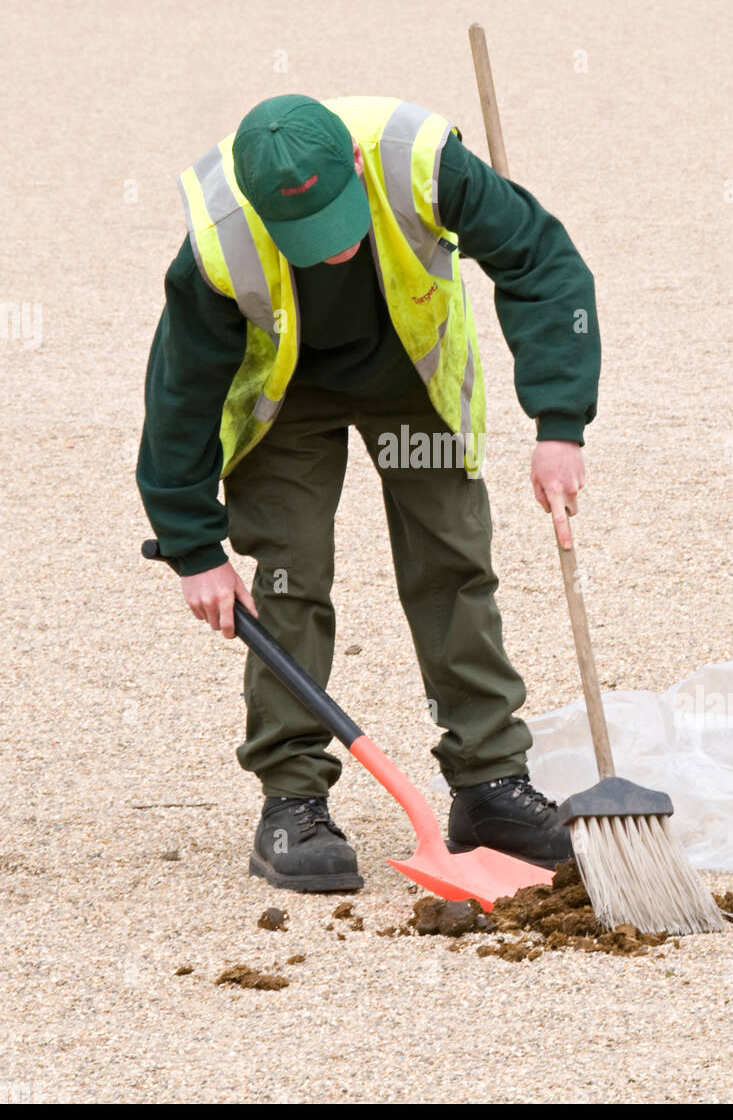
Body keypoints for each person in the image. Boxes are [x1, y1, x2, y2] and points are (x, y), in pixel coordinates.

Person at [137, 94, 600, 892]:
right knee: (289, 576)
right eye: (303, 240)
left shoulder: (422, 161)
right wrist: (191, 546)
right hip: (286, 398)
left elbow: (540, 260)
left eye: (335, 222)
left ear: (354, 165)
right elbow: (180, 392)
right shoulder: (216, 242)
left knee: (452, 564)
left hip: (408, 382)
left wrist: (559, 423)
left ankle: (488, 784)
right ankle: (292, 803)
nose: (327, 253)